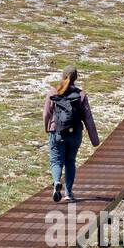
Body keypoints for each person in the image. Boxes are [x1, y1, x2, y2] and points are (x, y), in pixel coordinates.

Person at [43, 65, 99, 203]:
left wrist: (48, 128)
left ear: (63, 76)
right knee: (70, 162)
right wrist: (94, 140)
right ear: (76, 78)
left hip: (56, 133)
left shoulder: (53, 92)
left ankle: (57, 182)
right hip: (75, 134)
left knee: (56, 161)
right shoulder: (81, 95)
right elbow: (88, 118)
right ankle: (68, 192)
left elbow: (46, 114)